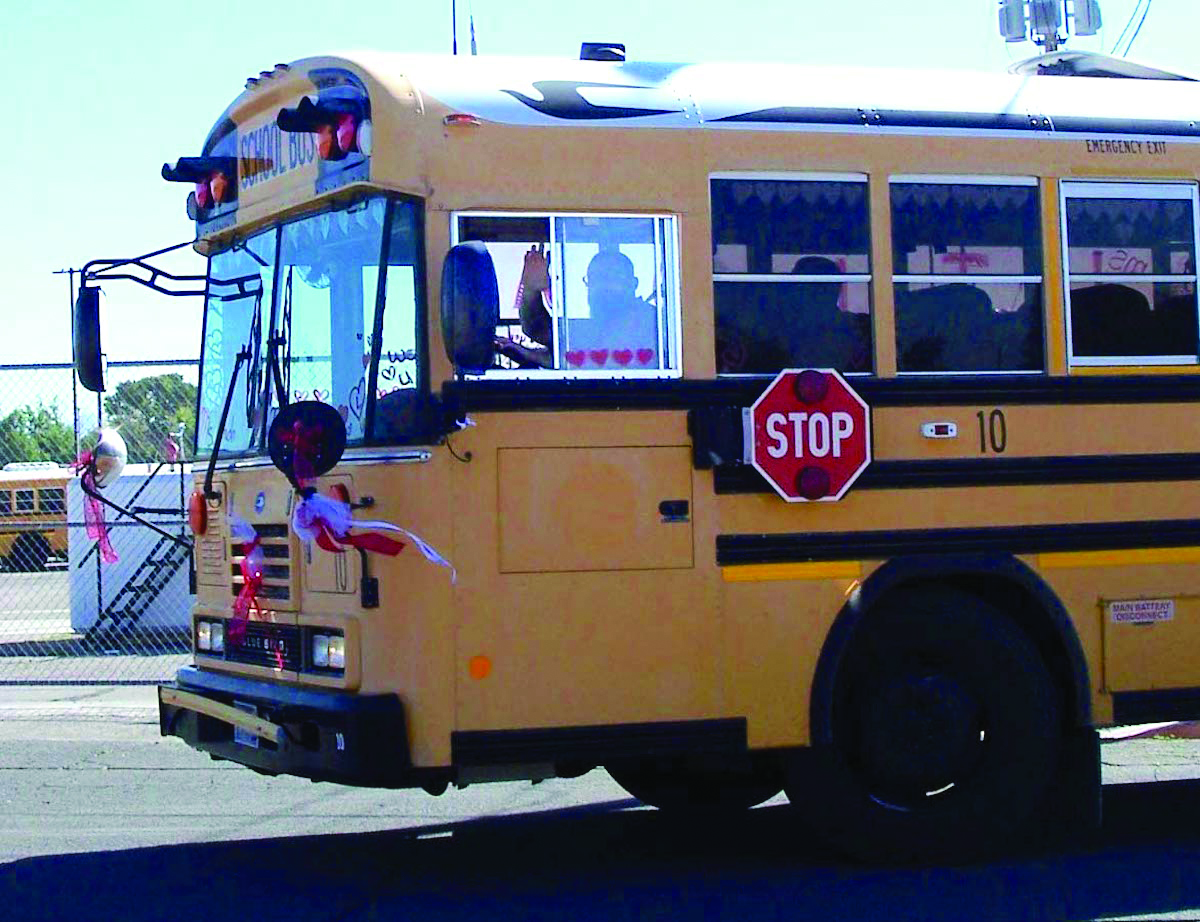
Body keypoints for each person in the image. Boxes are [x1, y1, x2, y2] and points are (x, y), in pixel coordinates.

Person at [495, 245, 659, 370]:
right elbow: (549, 337)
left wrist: (527, 353)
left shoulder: (648, 322)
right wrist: (532, 289)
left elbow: (596, 363)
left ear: (633, 283)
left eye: (612, 276)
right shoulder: (601, 324)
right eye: (595, 278)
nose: (603, 285)